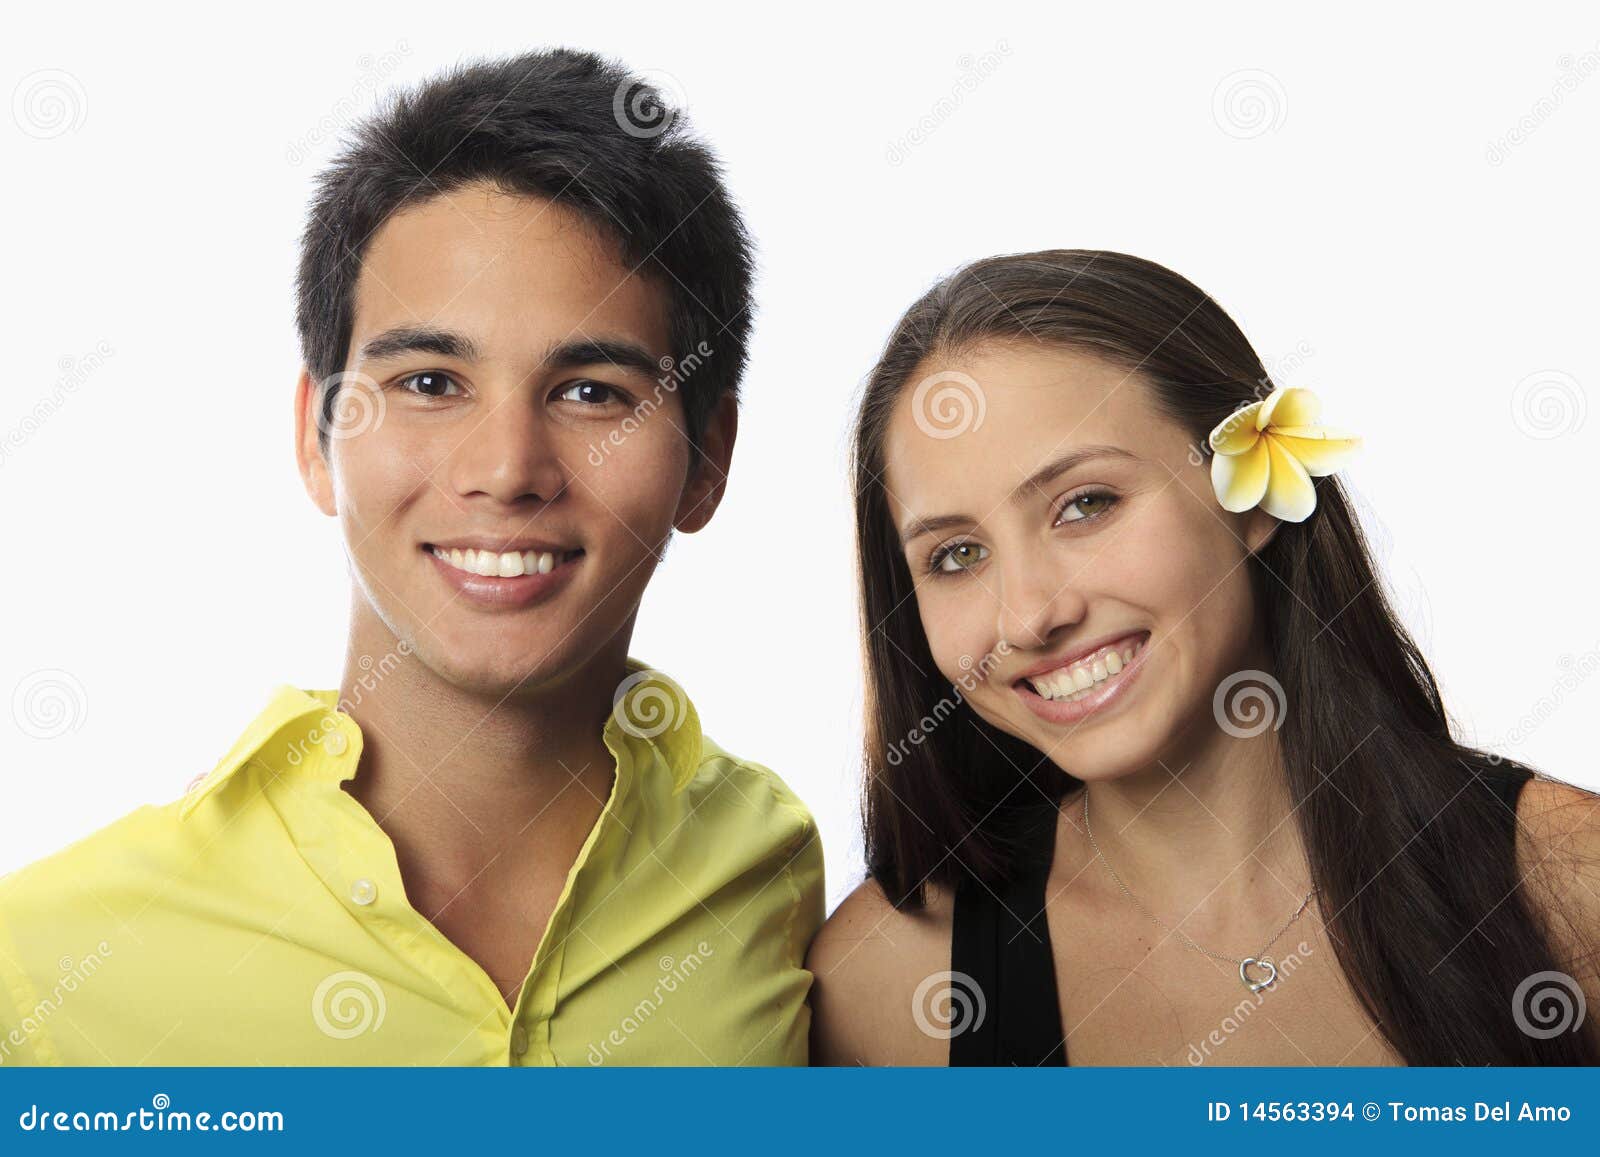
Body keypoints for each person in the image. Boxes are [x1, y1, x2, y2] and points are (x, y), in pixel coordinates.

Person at [0, 49, 823, 1066]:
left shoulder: (771, 877)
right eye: (431, 381)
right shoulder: (43, 960)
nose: (507, 468)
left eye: (592, 391)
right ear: (316, 434)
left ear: (709, 457)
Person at [808, 249, 1600, 1066]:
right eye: (957, 556)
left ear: (1249, 490)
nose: (1031, 614)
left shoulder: (1573, 883)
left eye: (1086, 504)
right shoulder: (883, 988)